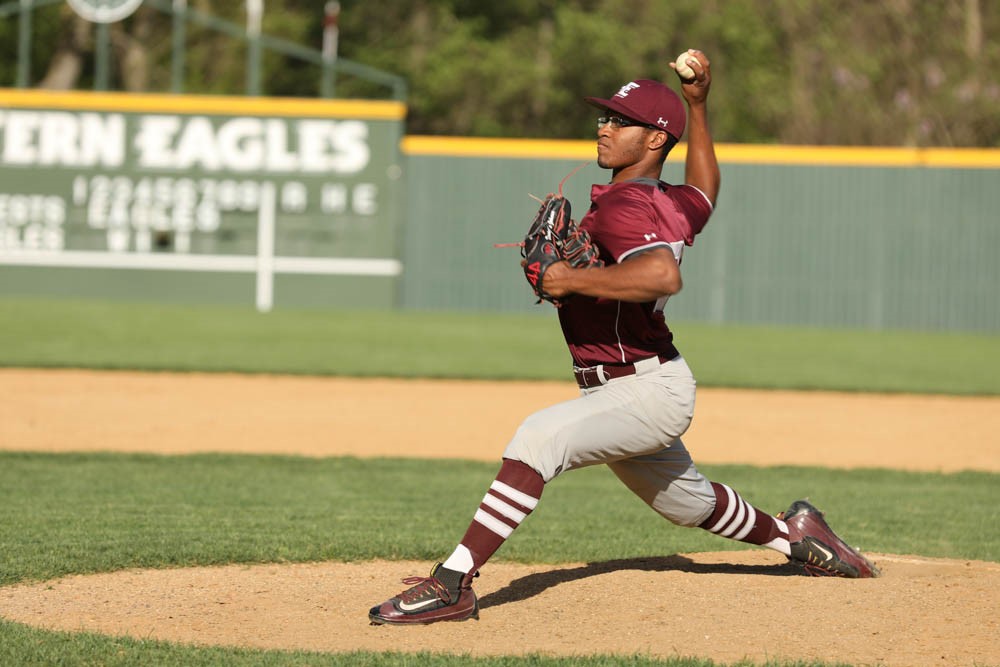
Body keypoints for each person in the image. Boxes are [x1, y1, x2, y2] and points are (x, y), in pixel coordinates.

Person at [368, 49, 879, 626]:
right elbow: (706, 187)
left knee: (539, 439)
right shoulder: (668, 201)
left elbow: (664, 275)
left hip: (641, 390)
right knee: (689, 505)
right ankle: (797, 536)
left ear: (655, 140)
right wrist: (699, 105)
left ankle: (453, 582)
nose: (604, 127)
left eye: (620, 120)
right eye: (605, 117)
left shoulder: (626, 206)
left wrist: (570, 277)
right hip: (641, 384)